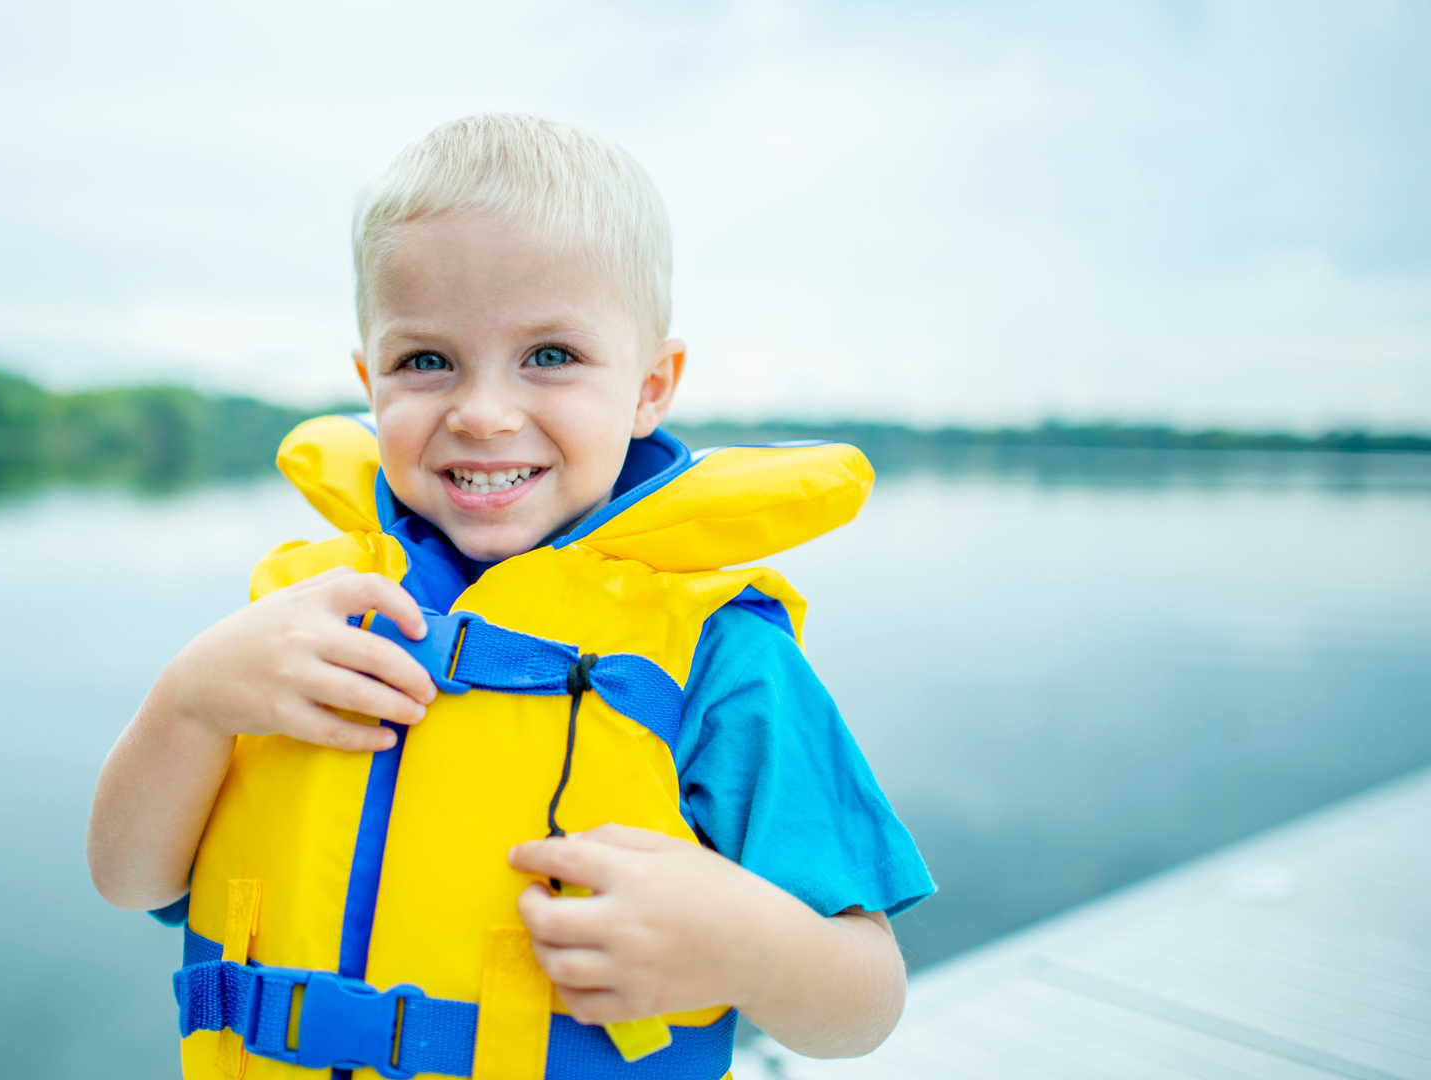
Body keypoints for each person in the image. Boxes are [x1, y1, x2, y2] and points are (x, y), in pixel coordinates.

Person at [87, 114, 934, 1078]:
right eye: (425, 361)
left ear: (651, 386)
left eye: (550, 356)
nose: (483, 414)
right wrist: (186, 703)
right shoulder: (306, 617)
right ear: (370, 383)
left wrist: (755, 944)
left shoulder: (722, 656)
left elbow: (866, 1007)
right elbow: (129, 880)